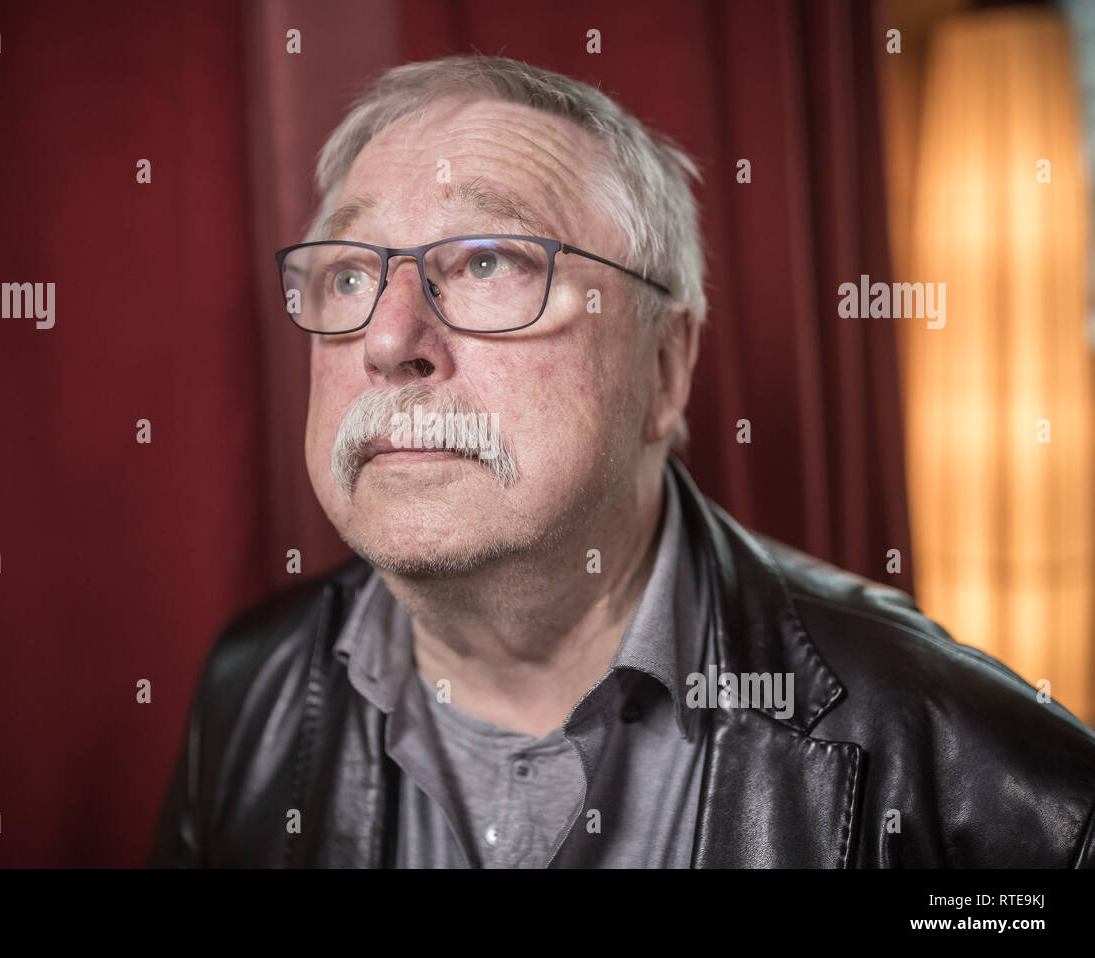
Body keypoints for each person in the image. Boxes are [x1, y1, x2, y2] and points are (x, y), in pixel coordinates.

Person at [150, 54, 1095, 868]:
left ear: (665, 366)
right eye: (350, 272)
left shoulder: (993, 785)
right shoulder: (250, 687)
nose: (389, 339)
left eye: (488, 262)